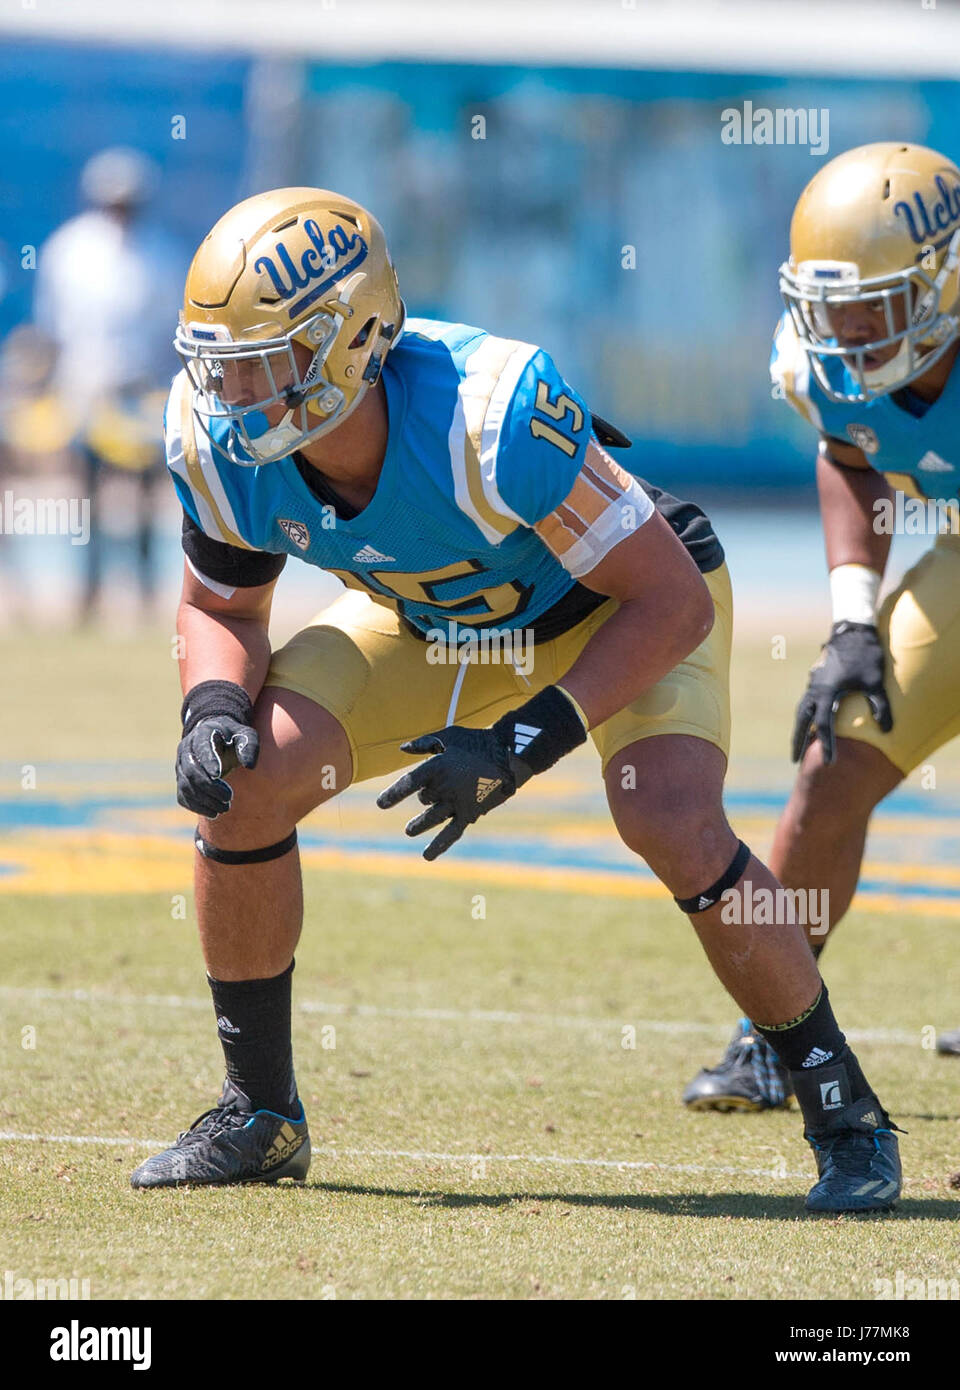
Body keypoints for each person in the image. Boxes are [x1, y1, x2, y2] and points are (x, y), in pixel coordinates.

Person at [130, 187, 900, 1212]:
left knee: (666, 812)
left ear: (355, 338)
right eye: (221, 364)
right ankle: (259, 1113)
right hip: (434, 625)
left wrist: (526, 740)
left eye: (264, 361)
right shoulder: (215, 439)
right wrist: (213, 704)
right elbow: (218, 603)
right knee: (245, 777)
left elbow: (668, 599)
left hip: (616, 608)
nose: (236, 391)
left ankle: (846, 1113)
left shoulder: (487, 413)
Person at [684, 142, 960, 1115]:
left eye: (872, 309)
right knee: (831, 765)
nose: (845, 334)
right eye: (830, 310)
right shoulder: (825, 363)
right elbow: (853, 454)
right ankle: (775, 1034)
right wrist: (853, 620)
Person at [33, 147, 183, 618]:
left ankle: (142, 594)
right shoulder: (69, 249)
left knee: (142, 494)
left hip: (139, 389)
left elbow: (169, 332)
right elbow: (53, 325)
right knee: (88, 492)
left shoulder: (162, 254)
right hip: (87, 386)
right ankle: (89, 592)